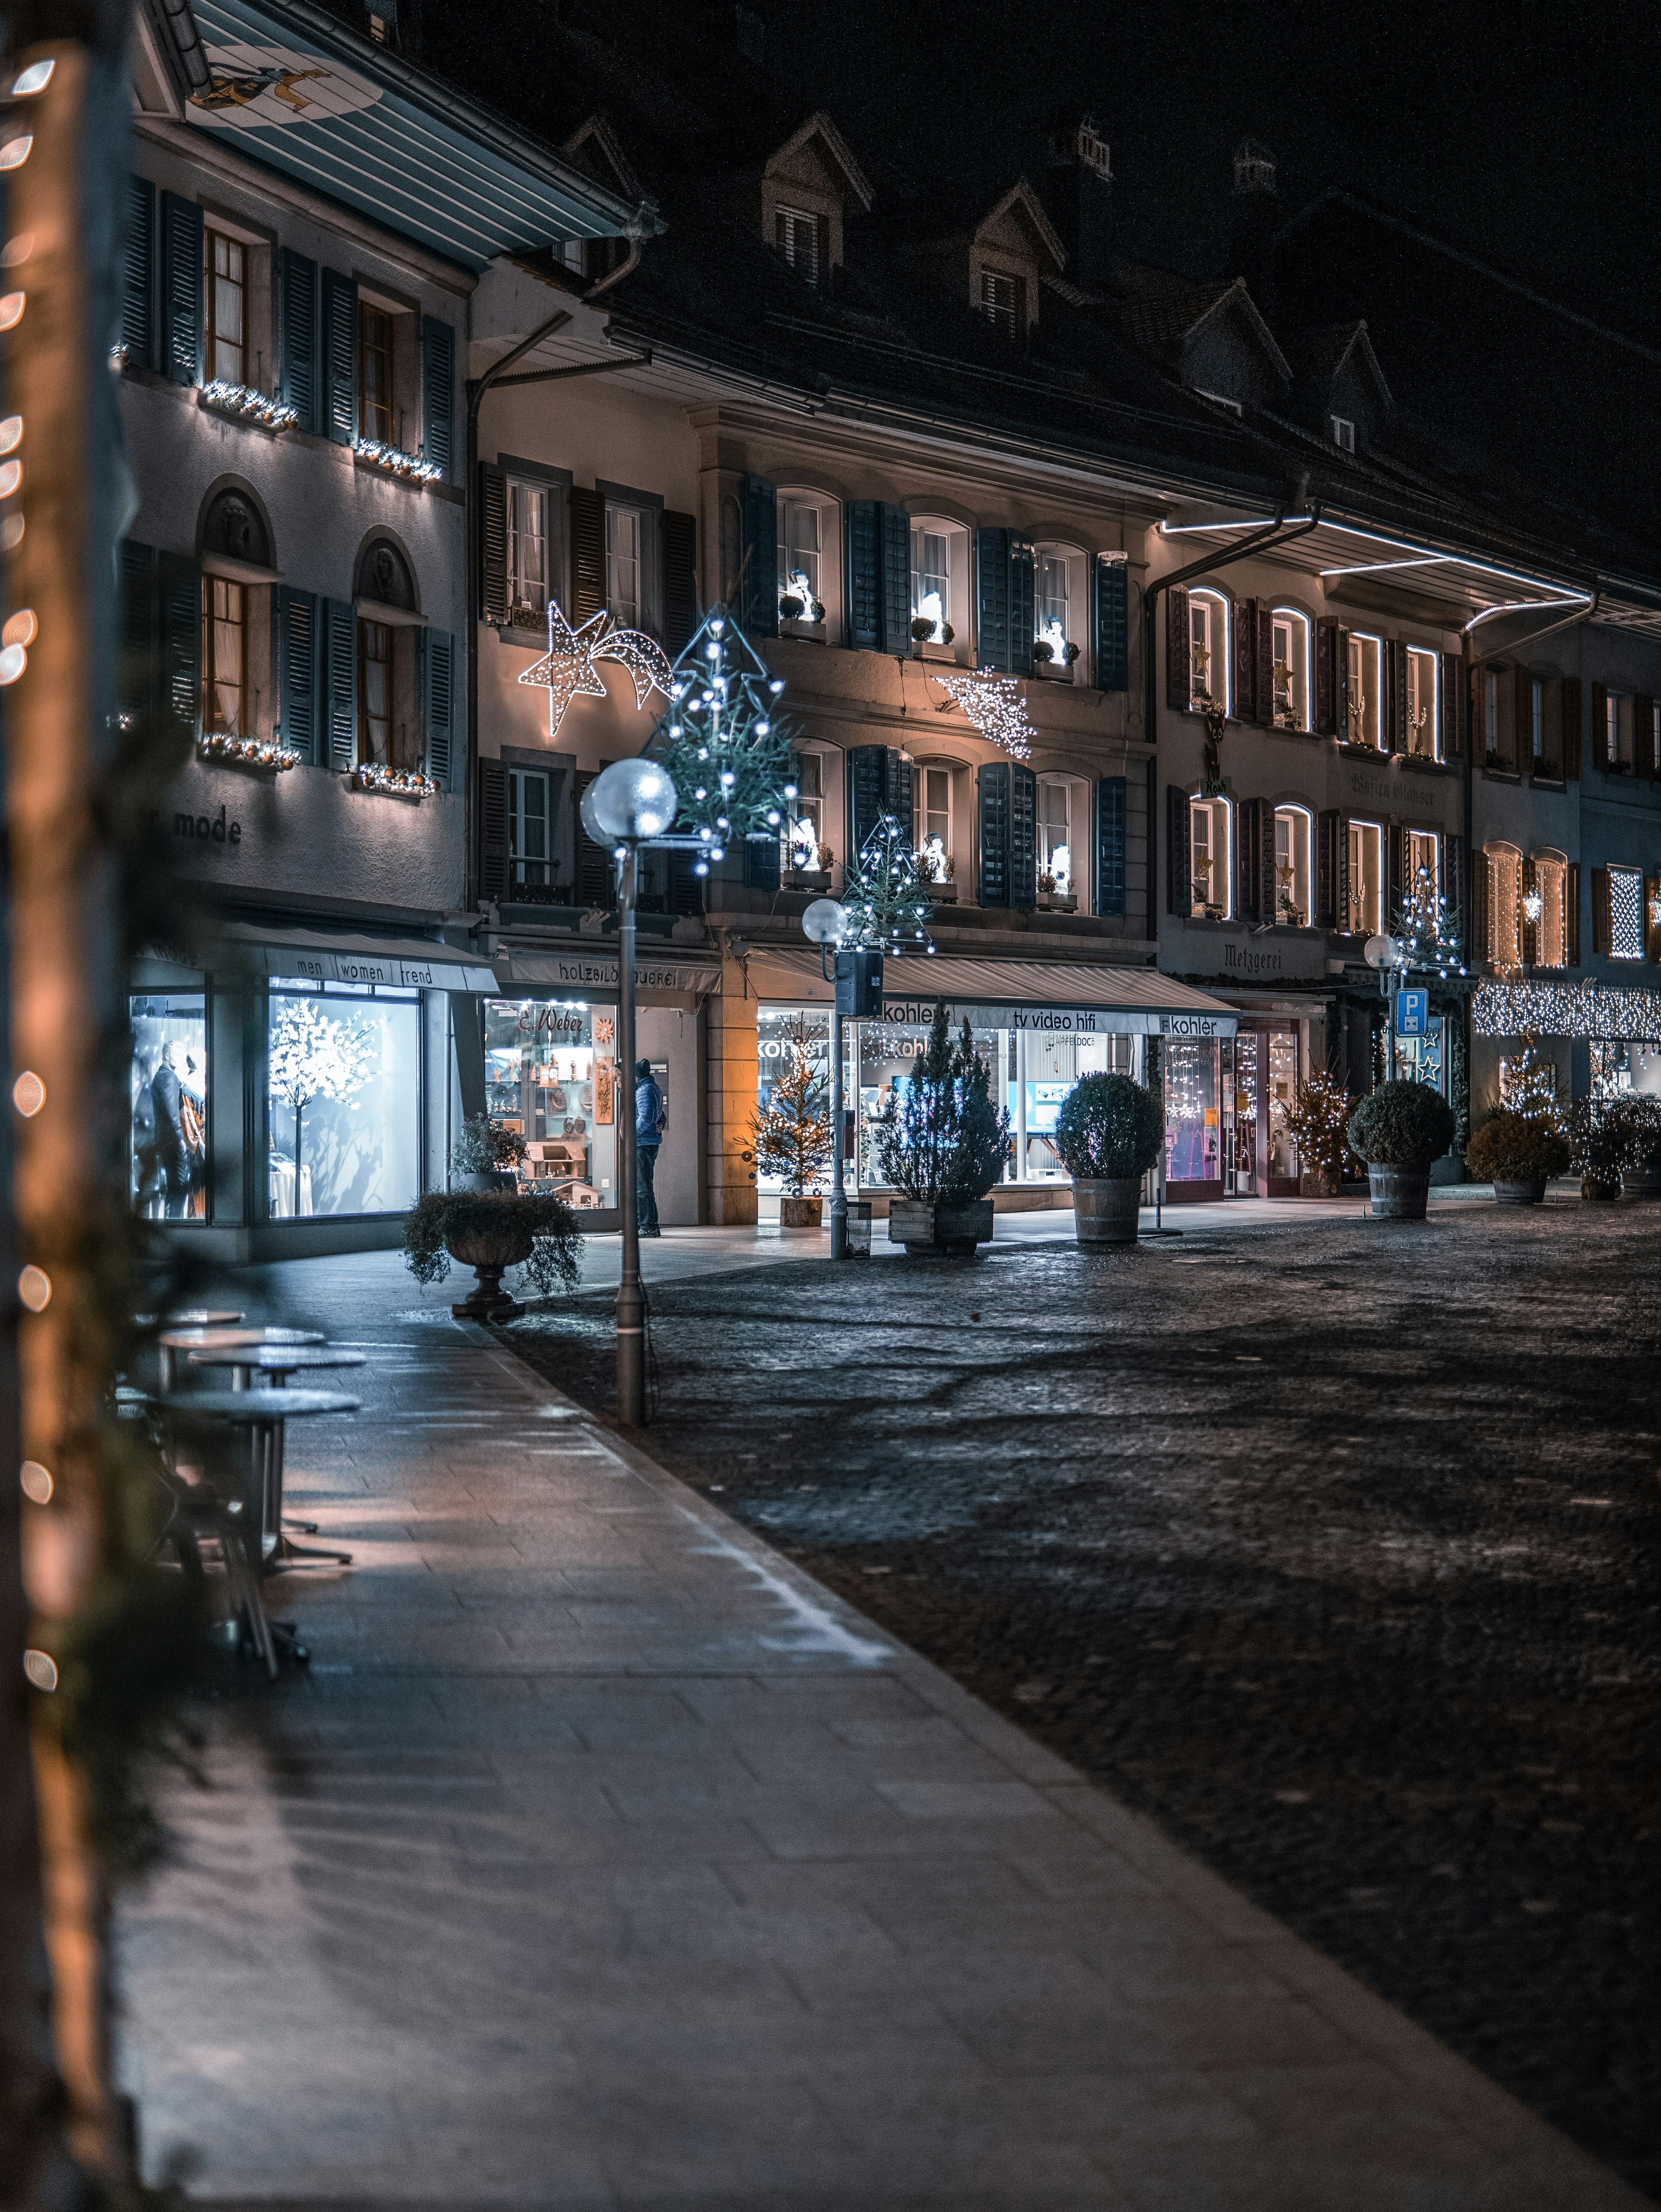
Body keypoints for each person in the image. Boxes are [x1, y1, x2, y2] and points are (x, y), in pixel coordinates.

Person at [634, 1057, 664, 1236]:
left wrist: (632, 1134)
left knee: (643, 1187)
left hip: (643, 1143)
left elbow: (645, 1119)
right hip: (648, 1142)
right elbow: (658, 1114)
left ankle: (648, 1226)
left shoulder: (644, 1090)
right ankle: (646, 1224)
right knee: (643, 1186)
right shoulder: (651, 1088)